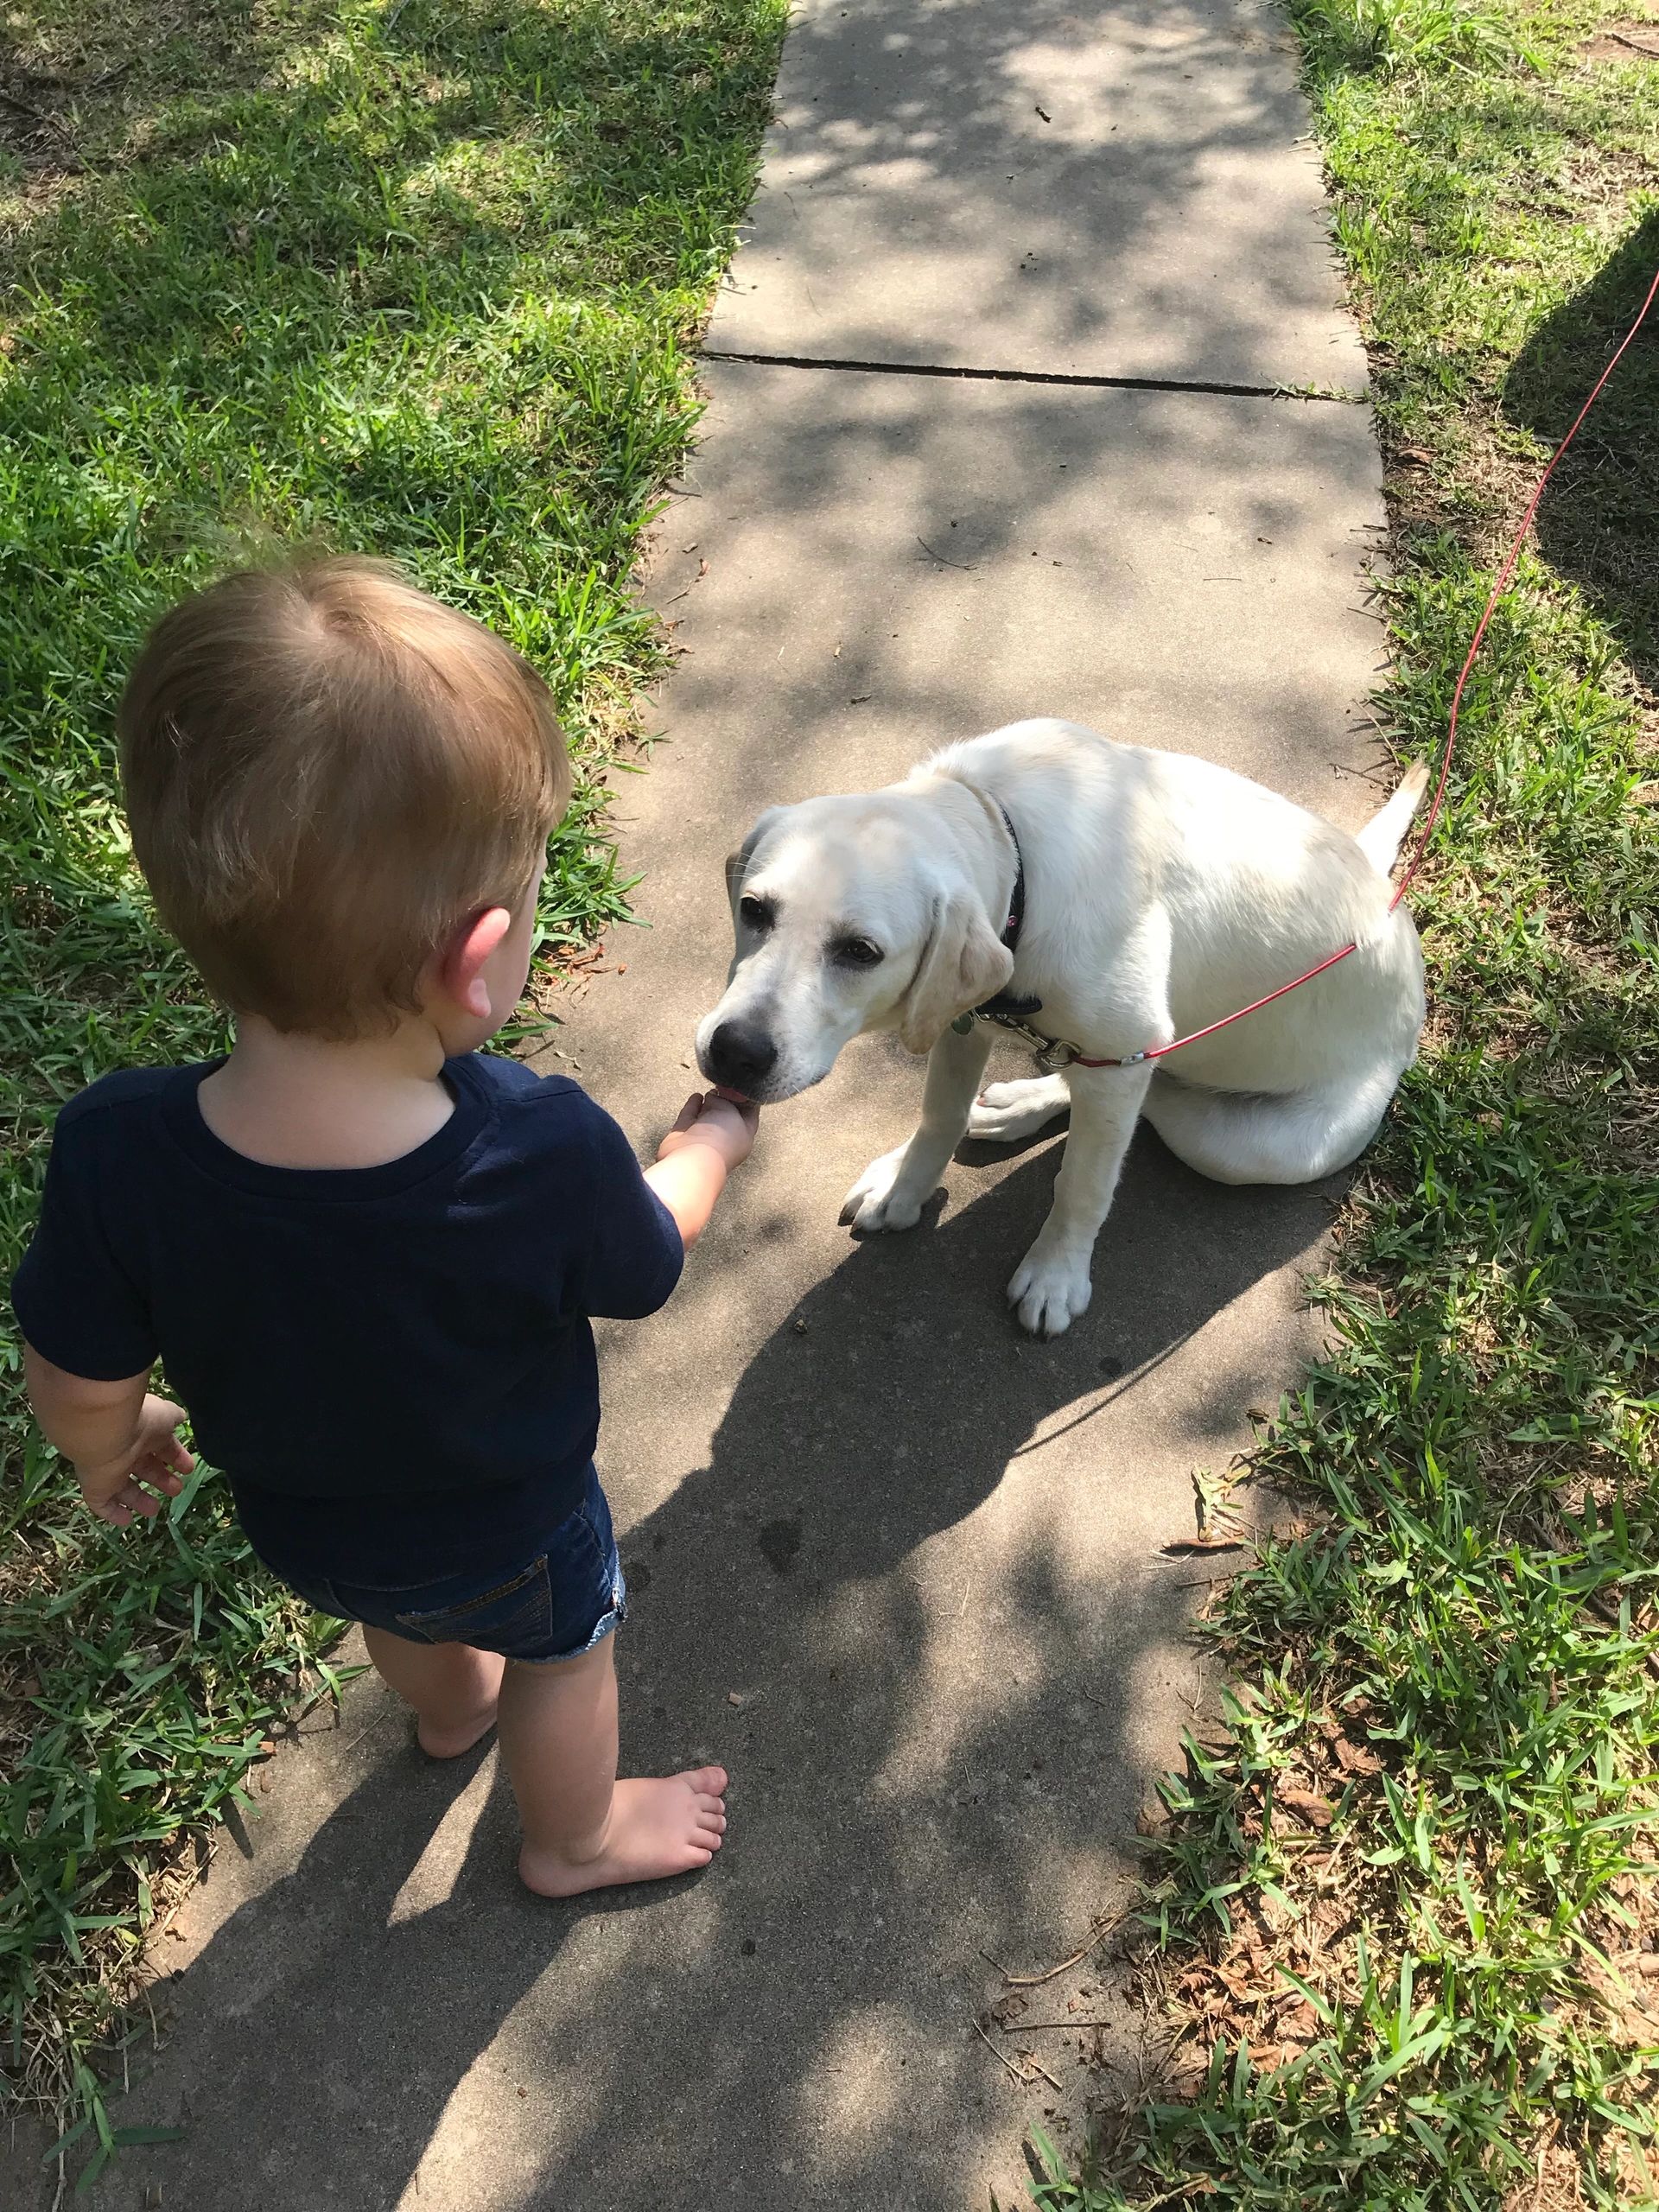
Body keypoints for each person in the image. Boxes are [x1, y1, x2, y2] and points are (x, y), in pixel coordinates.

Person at [11, 556, 758, 1897]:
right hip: (516, 1520)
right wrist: (705, 1143)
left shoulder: (117, 1148)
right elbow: (647, 1258)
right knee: (565, 1649)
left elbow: (75, 1376)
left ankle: (448, 1711)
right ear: (476, 964)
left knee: (409, 1619)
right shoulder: (536, 1148)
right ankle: (573, 1838)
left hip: (313, 1531)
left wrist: (113, 1450)